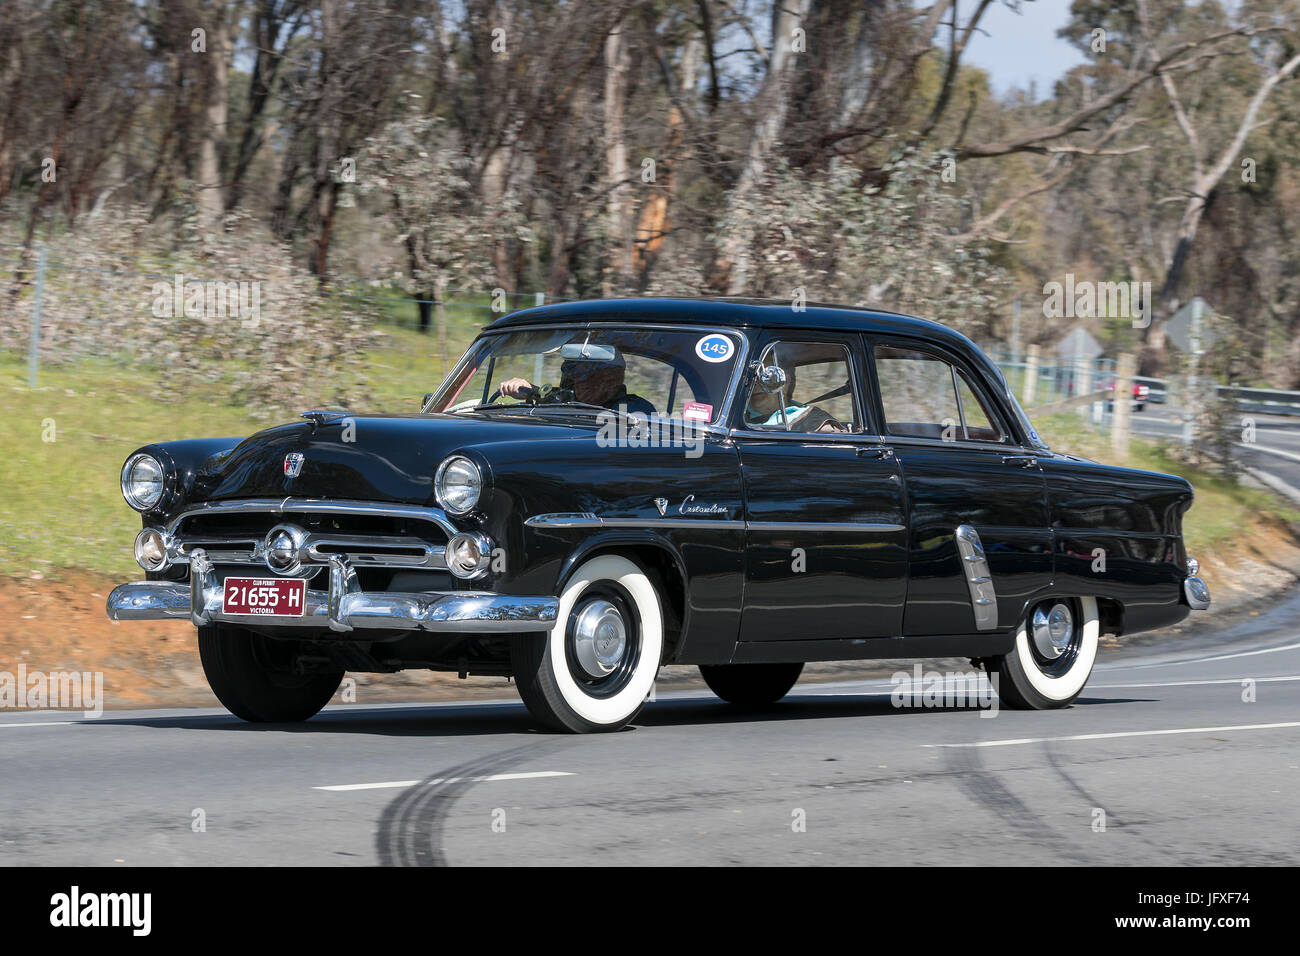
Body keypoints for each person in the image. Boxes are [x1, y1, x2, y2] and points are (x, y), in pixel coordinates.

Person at [498, 350, 656, 415]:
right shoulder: (571, 400)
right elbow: (555, 397)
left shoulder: (635, 410)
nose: (578, 382)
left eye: (588, 375)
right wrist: (530, 390)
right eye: (575, 375)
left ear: (612, 380)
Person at [744, 363, 849, 433]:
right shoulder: (735, 415)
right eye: (750, 378)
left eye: (766, 377)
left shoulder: (814, 423)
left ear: (786, 382)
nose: (755, 384)